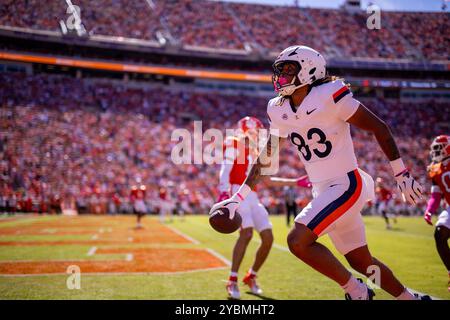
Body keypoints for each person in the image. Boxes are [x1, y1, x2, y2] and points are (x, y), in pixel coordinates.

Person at [210, 45, 430, 300]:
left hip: (347, 183)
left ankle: (357, 292)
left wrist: (400, 173)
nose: (281, 76)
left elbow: (379, 127)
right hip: (324, 190)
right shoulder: (278, 107)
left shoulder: (330, 94)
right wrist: (237, 198)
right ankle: (409, 299)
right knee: (361, 261)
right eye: (280, 70)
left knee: (297, 240)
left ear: (309, 70)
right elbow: (266, 158)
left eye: (289, 69)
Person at [218, 116, 309, 299]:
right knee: (247, 233)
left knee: (268, 237)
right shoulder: (233, 142)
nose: (258, 134)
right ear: (247, 129)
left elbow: (267, 181)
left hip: (252, 196)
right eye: (256, 130)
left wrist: (295, 183)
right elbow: (226, 168)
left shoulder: (257, 152)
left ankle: (251, 276)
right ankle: (232, 280)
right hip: (237, 192)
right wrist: (223, 191)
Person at [423, 135, 450, 292]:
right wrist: (429, 211)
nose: (435, 153)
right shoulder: (436, 169)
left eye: (438, 149)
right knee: (439, 234)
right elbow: (436, 195)